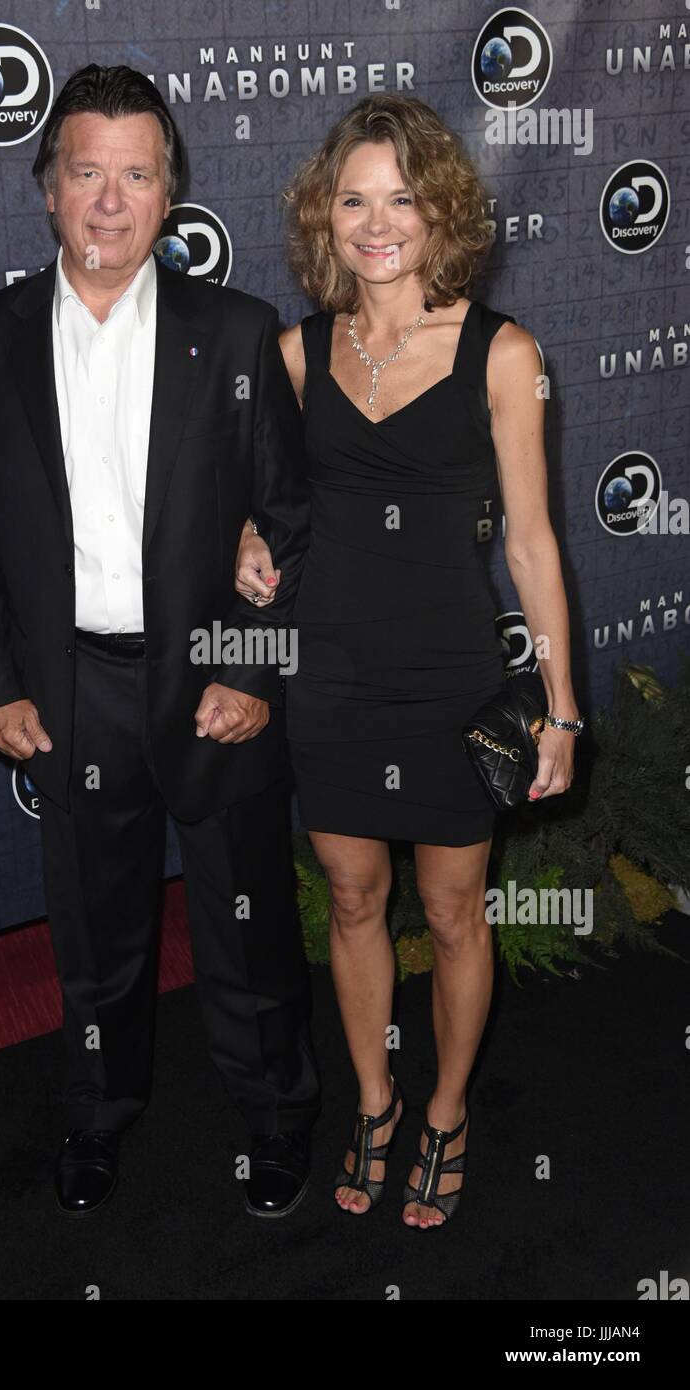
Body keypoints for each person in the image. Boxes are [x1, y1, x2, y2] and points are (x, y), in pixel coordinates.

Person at [0, 63, 320, 1218]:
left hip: (209, 671)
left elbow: (295, 527)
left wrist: (253, 669)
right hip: (70, 686)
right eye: (86, 173)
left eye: (136, 175)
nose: (110, 200)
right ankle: (98, 1117)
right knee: (95, 930)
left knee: (244, 921)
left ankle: (273, 1117)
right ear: (47, 187)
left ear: (169, 195)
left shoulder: (239, 332)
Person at [235, 94, 582, 1229]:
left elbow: (530, 542)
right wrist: (248, 541)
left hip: (447, 676)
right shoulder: (293, 354)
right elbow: (267, 511)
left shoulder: (501, 351)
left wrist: (561, 710)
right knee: (347, 896)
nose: (376, 223)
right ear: (320, 215)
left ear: (440, 214)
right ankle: (373, 1104)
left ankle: (444, 1110)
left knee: (449, 913)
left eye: (401, 199)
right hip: (328, 677)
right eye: (352, 199)